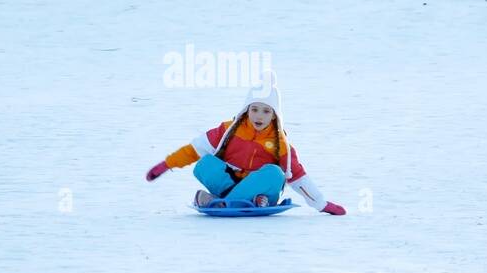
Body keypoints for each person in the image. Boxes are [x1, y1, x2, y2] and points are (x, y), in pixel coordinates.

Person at [145, 74, 345, 215]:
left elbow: (299, 178)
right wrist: (167, 164)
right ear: (246, 109)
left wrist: (322, 204)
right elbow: (194, 149)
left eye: (266, 111)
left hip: (262, 188)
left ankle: (221, 201)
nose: (259, 116)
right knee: (204, 164)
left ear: (275, 115)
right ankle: (239, 200)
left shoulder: (281, 143)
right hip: (230, 182)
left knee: (275, 173)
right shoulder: (228, 130)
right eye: (255, 109)